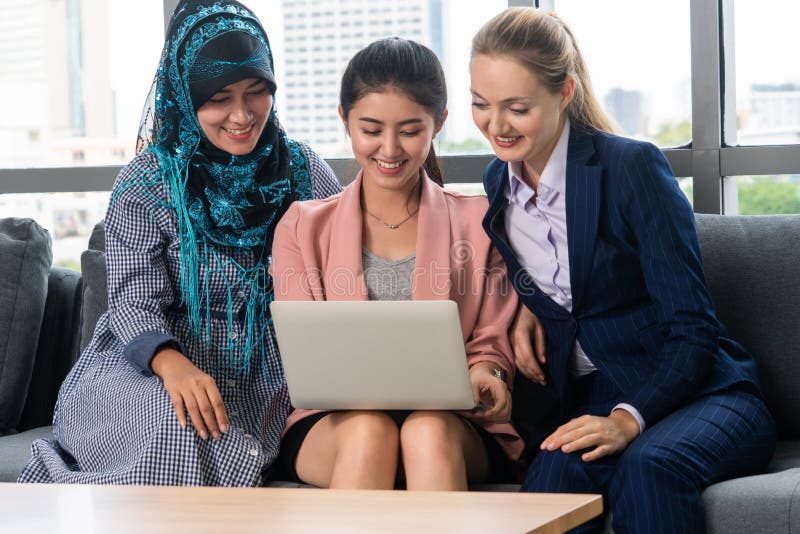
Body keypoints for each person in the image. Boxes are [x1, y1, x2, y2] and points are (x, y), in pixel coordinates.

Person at [469, 8, 776, 533]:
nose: (495, 125)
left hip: (704, 392)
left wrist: (626, 418)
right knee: (548, 485)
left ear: (564, 92)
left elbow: (693, 329)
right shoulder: (499, 182)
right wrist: (528, 307)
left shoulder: (631, 167)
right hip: (596, 399)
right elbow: (557, 286)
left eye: (516, 108)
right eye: (480, 105)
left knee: (648, 468)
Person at [18, 0, 341, 486]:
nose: (241, 114)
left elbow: (348, 269)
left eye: (257, 92)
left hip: (265, 375)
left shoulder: (305, 171)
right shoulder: (147, 182)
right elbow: (132, 303)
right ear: (185, 97)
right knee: (176, 421)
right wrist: (175, 368)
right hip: (149, 368)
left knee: (216, 427)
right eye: (218, 97)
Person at [271, 37, 522, 490]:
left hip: (452, 423)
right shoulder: (301, 227)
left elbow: (490, 341)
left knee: (424, 429)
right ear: (344, 119)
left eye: (409, 131)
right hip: (336, 425)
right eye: (370, 129)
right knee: (369, 429)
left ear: (439, 123)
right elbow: (305, 354)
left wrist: (487, 373)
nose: (389, 149)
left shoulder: (479, 223)